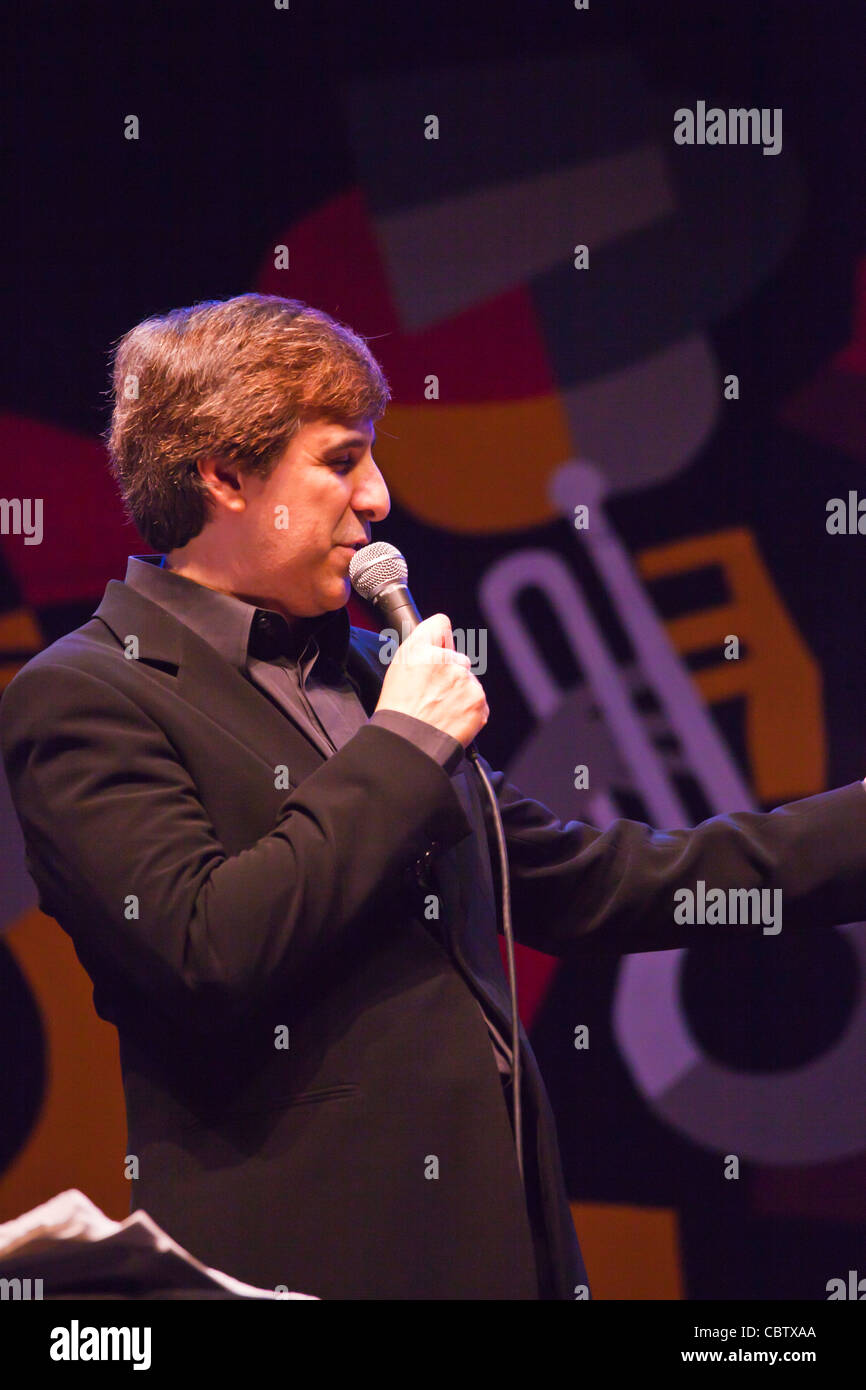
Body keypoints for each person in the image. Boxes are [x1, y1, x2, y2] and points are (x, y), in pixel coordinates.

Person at [2, 294, 865, 1301]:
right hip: (309, 1262)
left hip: (503, 1250)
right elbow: (203, 946)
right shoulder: (90, 691)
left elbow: (598, 884)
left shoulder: (364, 675)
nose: (376, 496)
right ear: (223, 474)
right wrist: (405, 741)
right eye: (339, 459)